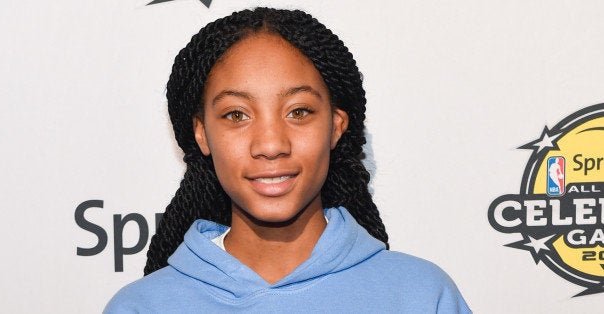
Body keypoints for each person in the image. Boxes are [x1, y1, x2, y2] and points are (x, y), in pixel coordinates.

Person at [105, 7, 471, 313]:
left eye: (298, 111)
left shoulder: (421, 296)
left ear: (336, 126)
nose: (270, 144)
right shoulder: (142, 307)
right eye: (236, 115)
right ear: (201, 134)